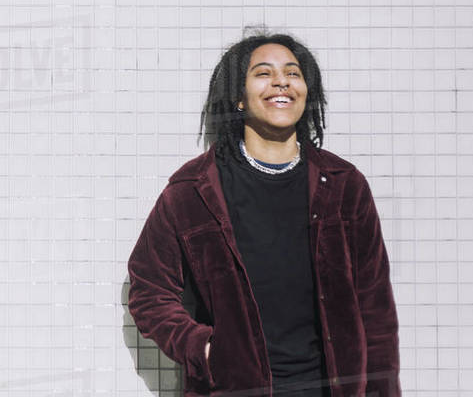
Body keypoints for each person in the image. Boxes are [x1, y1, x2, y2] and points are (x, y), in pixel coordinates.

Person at [127, 31, 400, 397]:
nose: (281, 81)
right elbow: (149, 290)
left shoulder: (343, 186)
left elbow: (375, 310)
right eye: (263, 73)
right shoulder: (193, 191)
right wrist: (203, 349)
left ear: (307, 91)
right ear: (239, 98)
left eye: (292, 72)